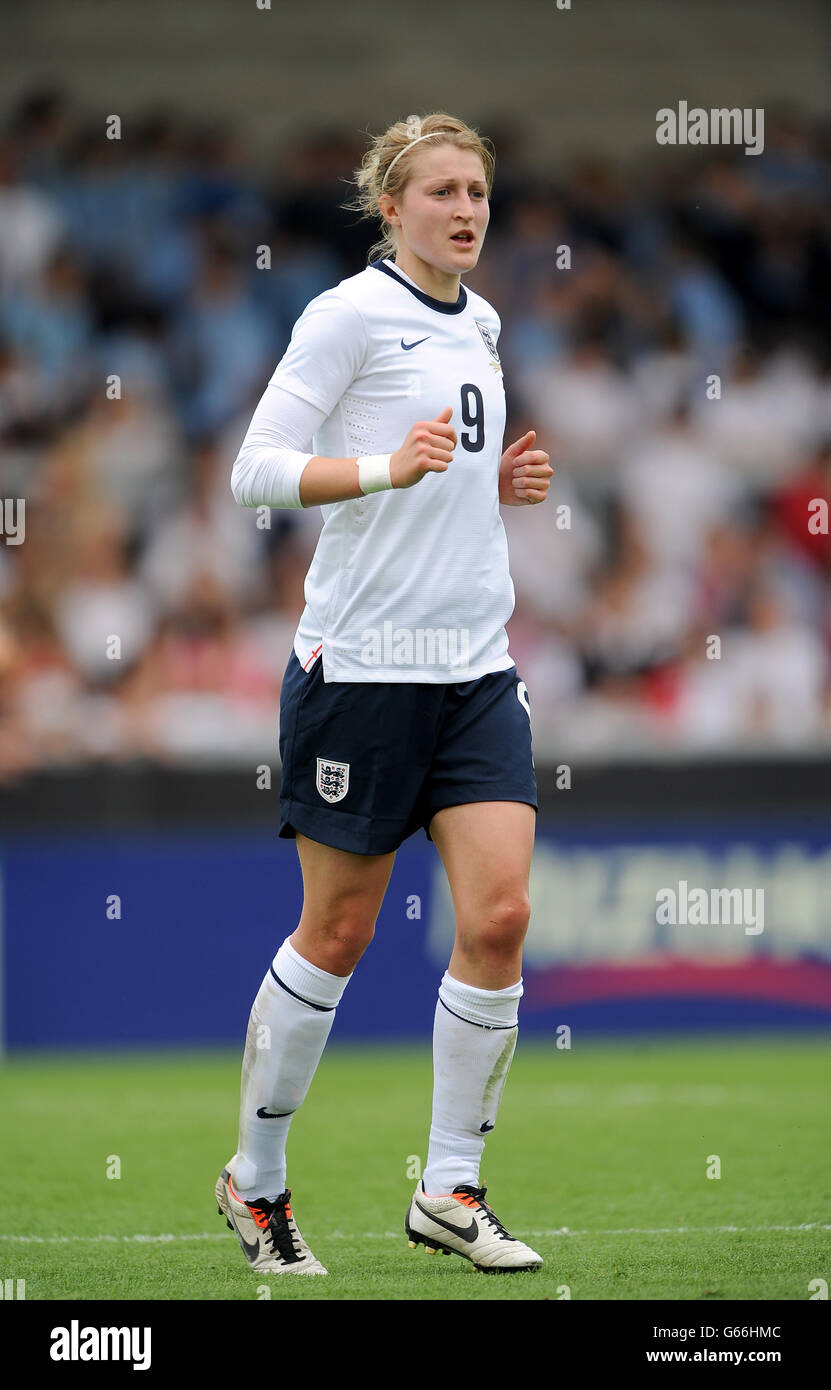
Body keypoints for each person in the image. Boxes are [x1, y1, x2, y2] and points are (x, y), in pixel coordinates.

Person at [216, 112, 553, 1276]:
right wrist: (383, 469)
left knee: (500, 916)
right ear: (392, 207)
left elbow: (437, 478)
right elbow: (254, 470)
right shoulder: (346, 315)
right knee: (341, 930)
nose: (466, 210)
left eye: (479, 192)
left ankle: (450, 1186)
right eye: (443, 192)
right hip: (361, 669)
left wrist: (492, 485)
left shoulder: (489, 321)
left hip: (474, 668)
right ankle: (255, 1183)